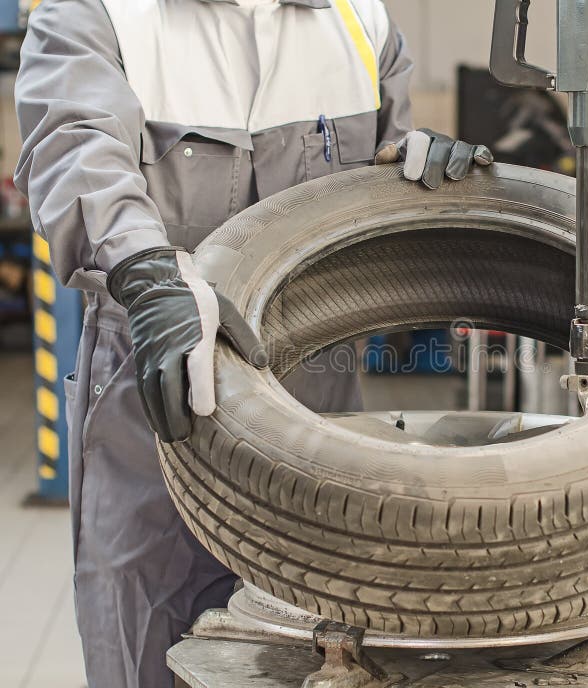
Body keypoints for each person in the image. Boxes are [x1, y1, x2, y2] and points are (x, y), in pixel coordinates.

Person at [14, 1, 492, 686]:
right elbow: (76, 149)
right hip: (160, 382)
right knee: (149, 630)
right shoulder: (100, 11)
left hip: (314, 395)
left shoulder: (358, 20)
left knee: (315, 641)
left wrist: (420, 175)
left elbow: (382, 172)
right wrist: (148, 274)